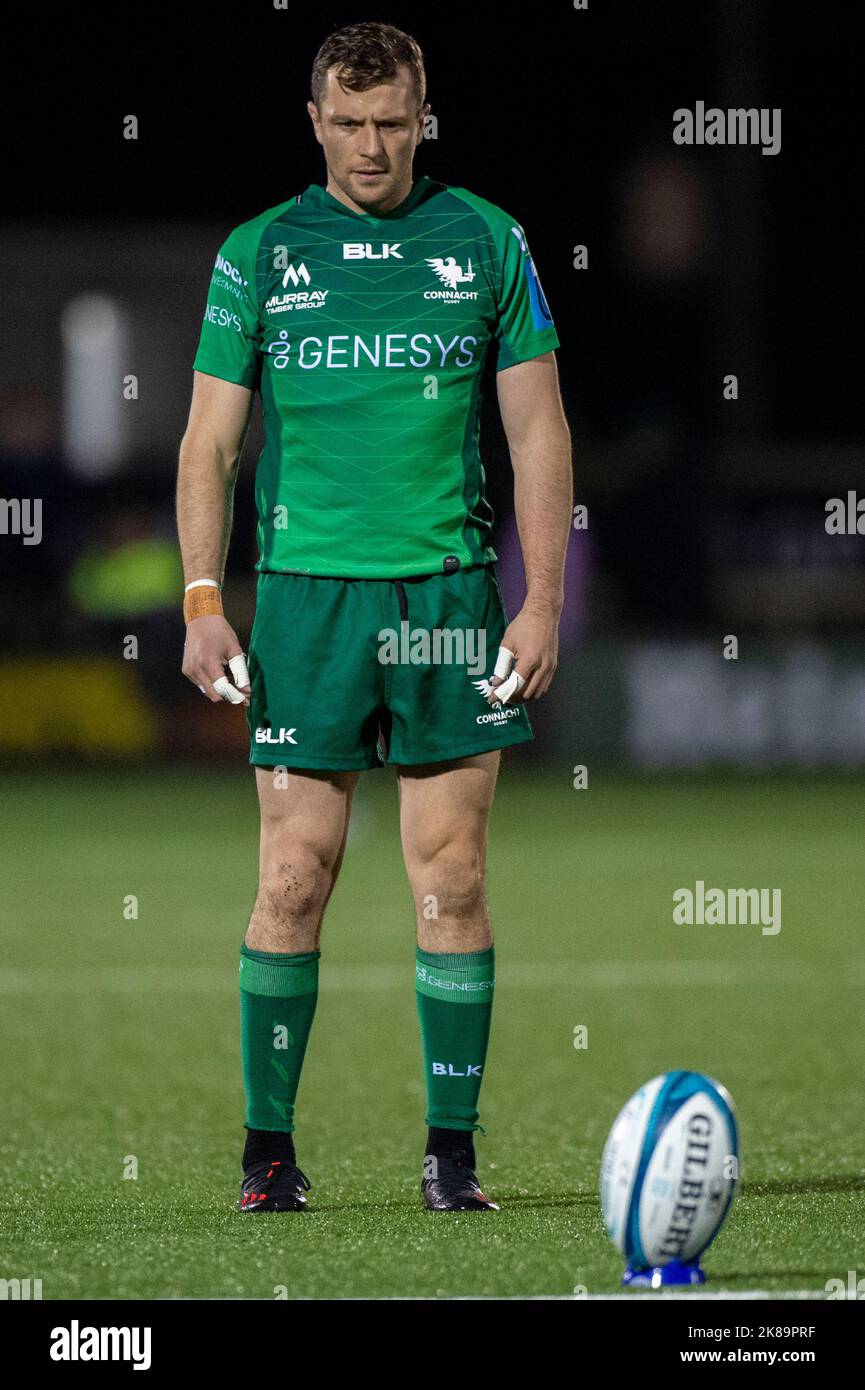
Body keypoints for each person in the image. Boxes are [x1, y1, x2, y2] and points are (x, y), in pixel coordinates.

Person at [176, 20, 572, 1213]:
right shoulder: (261, 252)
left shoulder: (487, 239)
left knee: (450, 878)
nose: (368, 146)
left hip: (446, 598)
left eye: (390, 122)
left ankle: (450, 1158)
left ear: (422, 118)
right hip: (305, 604)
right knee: (293, 876)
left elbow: (538, 430)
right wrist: (202, 599)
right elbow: (210, 443)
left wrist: (540, 597)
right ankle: (269, 1157)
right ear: (314, 123)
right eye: (346, 124)